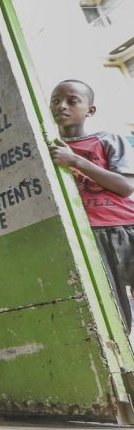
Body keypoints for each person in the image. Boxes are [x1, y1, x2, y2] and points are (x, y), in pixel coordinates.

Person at [49, 80, 134, 331]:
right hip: (88, 237)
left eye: (72, 101)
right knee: (113, 311)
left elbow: (126, 186)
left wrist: (76, 161)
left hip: (126, 228)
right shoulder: (49, 149)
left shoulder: (108, 140)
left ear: (90, 110)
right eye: (55, 101)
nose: (61, 106)